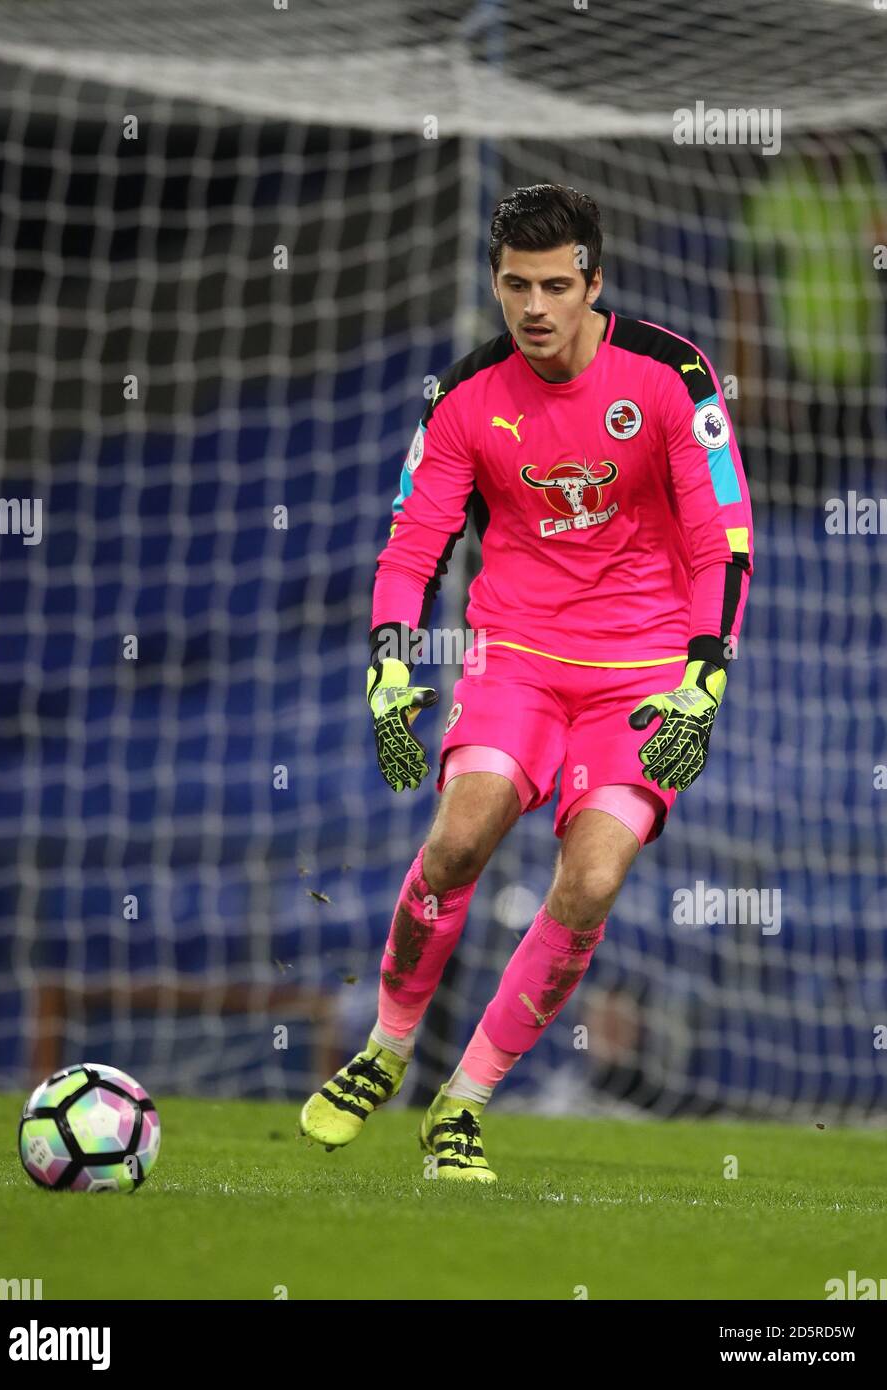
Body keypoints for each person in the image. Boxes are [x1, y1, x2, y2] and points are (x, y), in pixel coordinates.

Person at [300, 183, 754, 1181]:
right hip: (516, 658)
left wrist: (702, 683)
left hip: (640, 673)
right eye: (516, 286)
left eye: (556, 284)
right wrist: (387, 667)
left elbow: (721, 540)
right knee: (459, 838)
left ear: (594, 280)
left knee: (590, 882)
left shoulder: (673, 375)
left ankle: (461, 1103)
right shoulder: (465, 395)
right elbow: (409, 545)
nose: (536, 307)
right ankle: (384, 1048)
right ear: (494, 283)